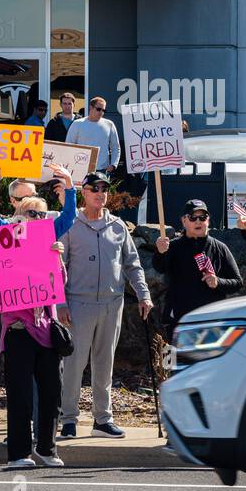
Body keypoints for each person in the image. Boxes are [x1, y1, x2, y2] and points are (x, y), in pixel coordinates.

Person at [0, 166, 76, 467]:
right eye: (28, 213)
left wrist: (71, 188)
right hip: (19, 329)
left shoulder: (50, 242)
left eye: (39, 214)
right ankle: (19, 454)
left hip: (47, 330)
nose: (35, 219)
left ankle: (47, 449)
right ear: (18, 217)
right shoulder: (7, 238)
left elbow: (68, 218)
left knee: (51, 394)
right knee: (21, 396)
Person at [57, 171, 153, 440]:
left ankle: (102, 419)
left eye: (104, 188)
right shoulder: (70, 224)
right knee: (74, 363)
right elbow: (58, 266)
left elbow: (132, 265)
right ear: (84, 192)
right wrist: (61, 302)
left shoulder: (118, 226)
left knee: (104, 363)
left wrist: (144, 295)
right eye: (94, 188)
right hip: (78, 304)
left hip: (112, 304)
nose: (100, 193)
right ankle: (69, 419)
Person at [153, 199, 246, 327]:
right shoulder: (172, 247)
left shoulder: (220, 248)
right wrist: (160, 252)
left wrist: (218, 282)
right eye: (193, 217)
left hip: (211, 321)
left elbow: (238, 282)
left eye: (203, 217)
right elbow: (159, 267)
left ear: (208, 219)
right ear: (184, 220)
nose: (198, 221)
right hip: (180, 321)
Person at [65, 96, 121, 175]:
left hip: (102, 170)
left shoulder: (109, 124)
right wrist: (71, 166)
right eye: (98, 109)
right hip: (81, 169)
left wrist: (113, 165)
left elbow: (116, 147)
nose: (101, 112)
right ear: (91, 107)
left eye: (103, 110)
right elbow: (68, 145)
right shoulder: (77, 124)